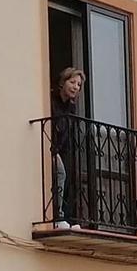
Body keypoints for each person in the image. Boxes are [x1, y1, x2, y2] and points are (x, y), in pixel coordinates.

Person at [48, 66, 86, 228]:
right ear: (63, 82)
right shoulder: (50, 100)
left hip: (59, 148)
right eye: (72, 82)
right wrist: (52, 148)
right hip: (49, 147)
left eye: (78, 85)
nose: (76, 87)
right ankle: (57, 216)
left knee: (69, 176)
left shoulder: (71, 107)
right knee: (61, 174)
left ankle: (68, 218)